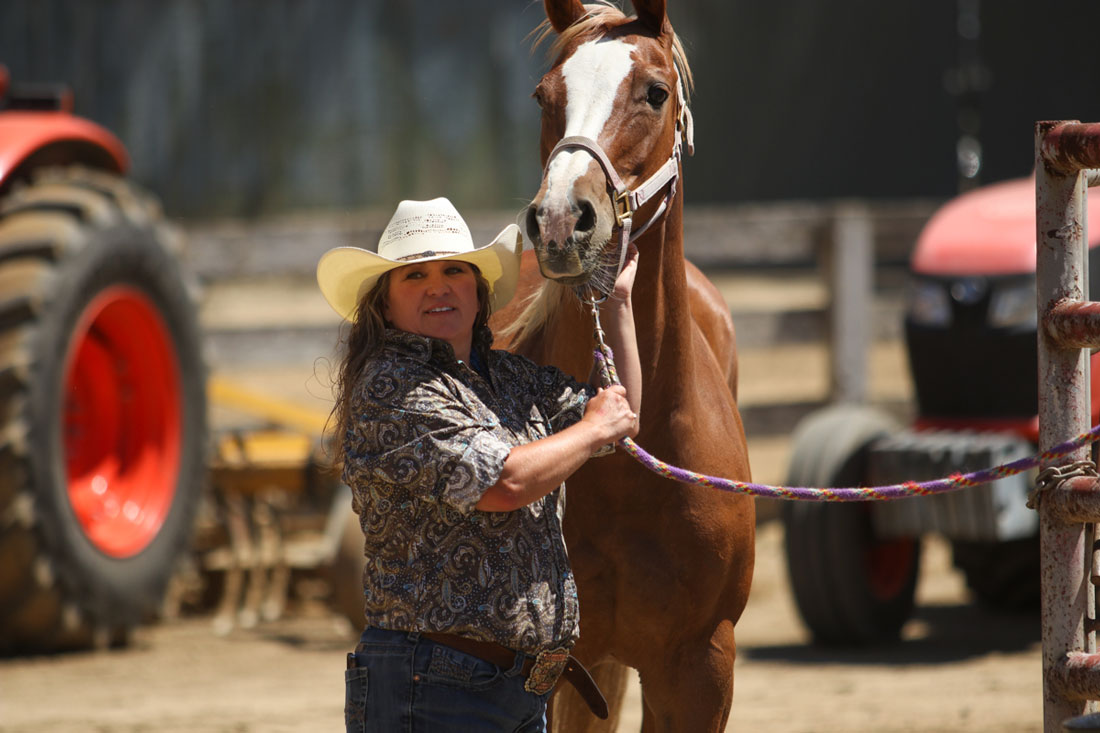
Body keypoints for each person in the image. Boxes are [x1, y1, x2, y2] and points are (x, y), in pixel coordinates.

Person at [316, 197, 641, 732]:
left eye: (453, 271)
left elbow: (619, 417)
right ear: (385, 305)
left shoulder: (510, 379)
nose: (437, 286)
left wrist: (619, 304)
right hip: (434, 686)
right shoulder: (391, 386)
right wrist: (593, 427)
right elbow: (502, 481)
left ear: (477, 290)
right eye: (414, 275)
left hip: (508, 692)